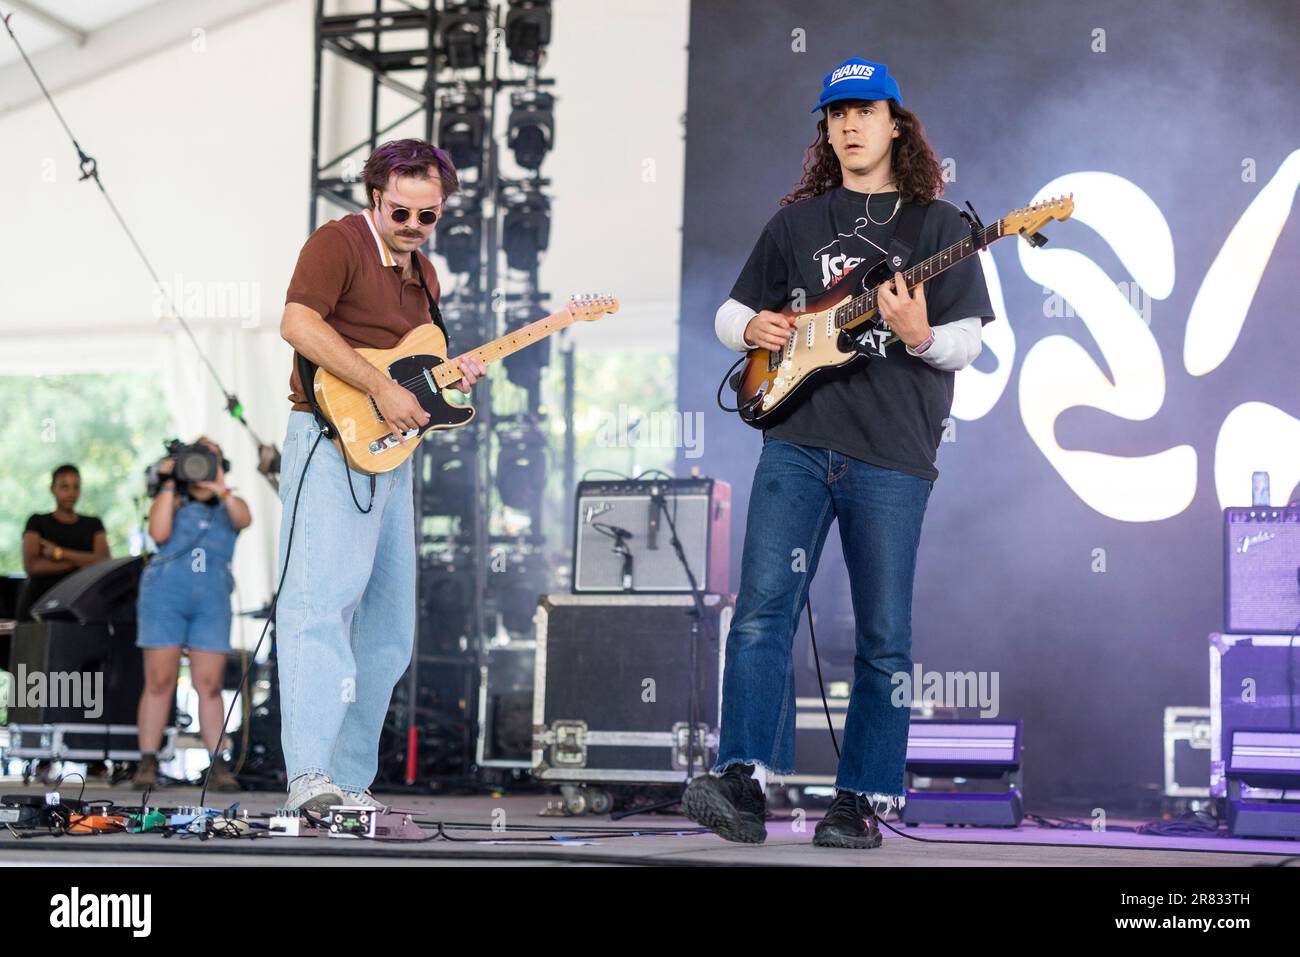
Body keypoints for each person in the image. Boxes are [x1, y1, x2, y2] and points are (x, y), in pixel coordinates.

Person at [683, 57, 995, 849]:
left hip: (892, 451)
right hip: (795, 442)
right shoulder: (796, 224)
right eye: (836, 114)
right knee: (760, 614)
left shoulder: (941, 227)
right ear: (826, 129)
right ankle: (745, 778)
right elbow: (729, 310)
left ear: (897, 122)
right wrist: (750, 328)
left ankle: (861, 797)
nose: (850, 125)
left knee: (883, 634)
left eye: (865, 110)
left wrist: (921, 335)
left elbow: (965, 343)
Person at [275, 138, 487, 813]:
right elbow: (297, 322)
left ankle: (348, 779)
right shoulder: (337, 242)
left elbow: (416, 373)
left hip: (393, 460)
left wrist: (455, 379)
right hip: (327, 441)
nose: (415, 227)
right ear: (375, 195)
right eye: (403, 212)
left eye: (429, 216)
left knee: (389, 627)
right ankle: (308, 777)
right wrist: (377, 386)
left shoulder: (427, 275)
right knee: (319, 608)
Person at [133, 438, 251, 791]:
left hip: (211, 600)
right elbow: (158, 532)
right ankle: (148, 763)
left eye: (209, 458)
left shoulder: (229, 504)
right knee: (159, 682)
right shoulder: (172, 498)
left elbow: (244, 518)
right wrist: (171, 481)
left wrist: (220, 487)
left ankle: (217, 765)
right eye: (196, 459)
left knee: (210, 685)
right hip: (164, 596)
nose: (201, 465)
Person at [17, 464, 110, 622]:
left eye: (76, 487)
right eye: (64, 487)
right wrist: (83, 563)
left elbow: (103, 561)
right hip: (38, 605)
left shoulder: (93, 523)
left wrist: (59, 554)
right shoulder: (37, 522)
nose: (71, 493)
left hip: (81, 606)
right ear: (53, 489)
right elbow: (32, 566)